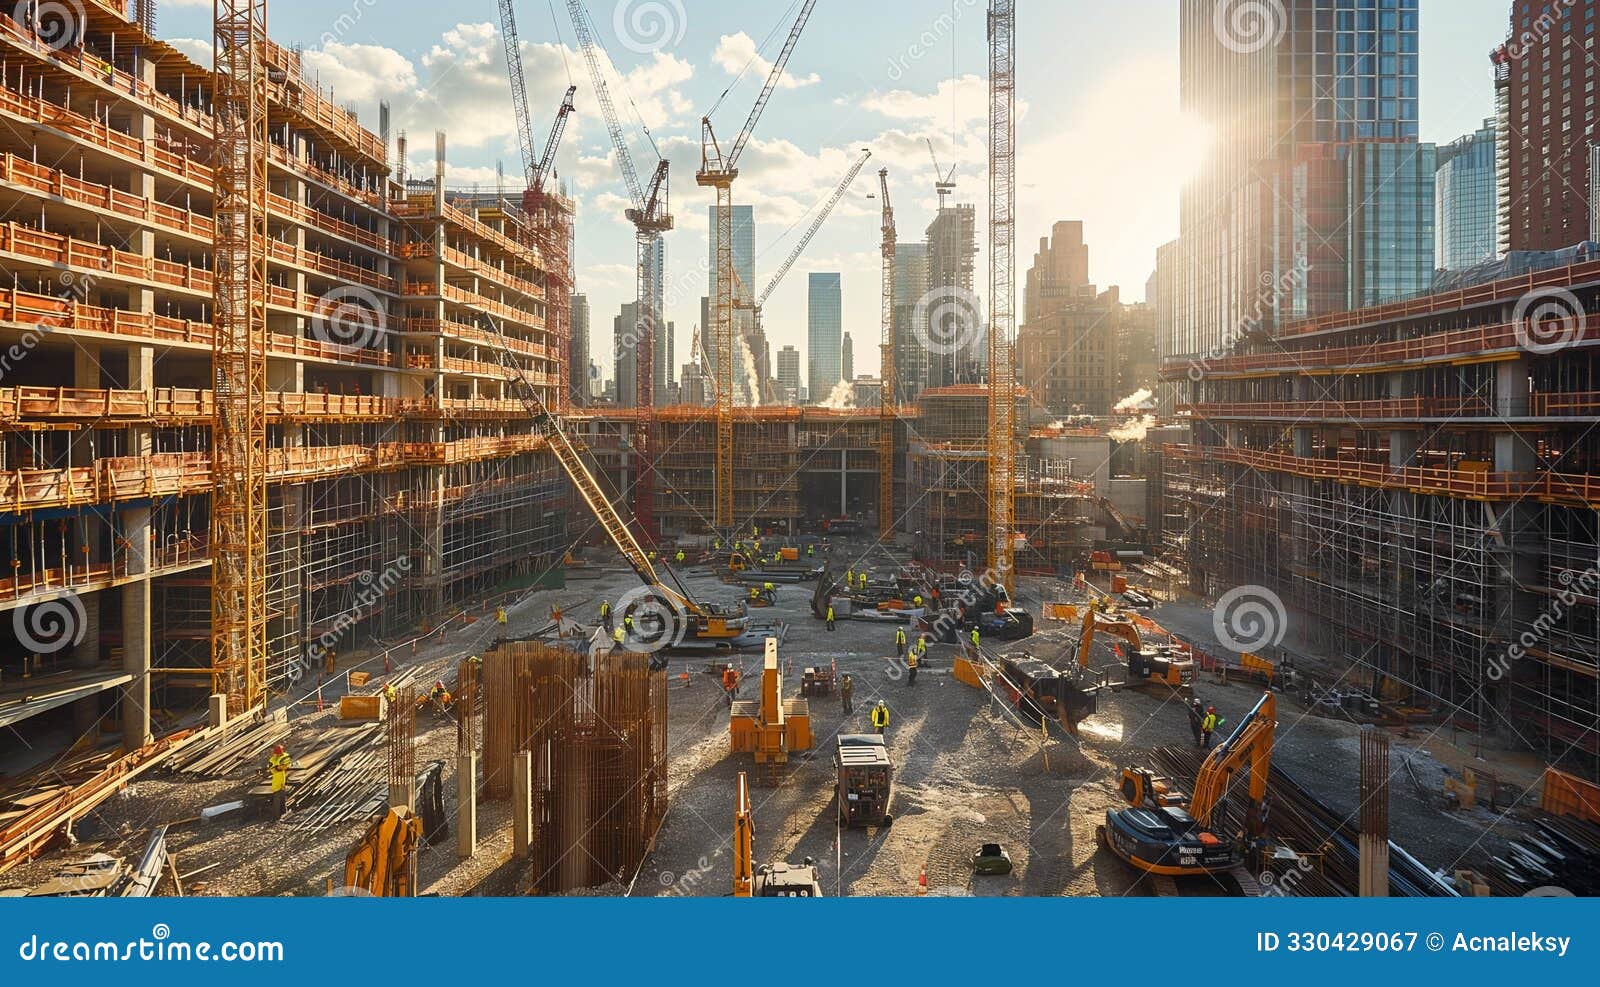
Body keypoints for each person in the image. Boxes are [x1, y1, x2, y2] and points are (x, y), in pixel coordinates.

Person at [268, 744, 292, 819]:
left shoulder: (285, 756)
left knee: (283, 799)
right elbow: (272, 769)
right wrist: (278, 768)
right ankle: (276, 816)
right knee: (277, 801)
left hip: (282, 782)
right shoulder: (272, 760)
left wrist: (284, 766)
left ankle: (284, 813)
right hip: (277, 784)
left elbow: (288, 764)